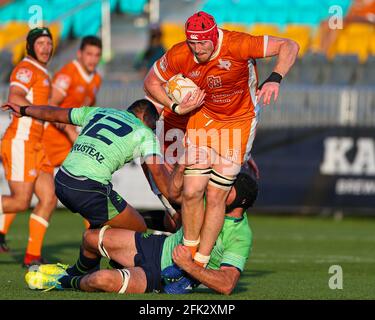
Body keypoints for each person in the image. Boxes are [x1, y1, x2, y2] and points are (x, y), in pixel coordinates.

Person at [144, 11, 298, 273]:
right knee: (192, 191)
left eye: (203, 42)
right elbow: (151, 81)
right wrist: (175, 106)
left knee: (216, 194)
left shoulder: (238, 44)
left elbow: (289, 45)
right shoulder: (180, 53)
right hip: (203, 119)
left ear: (214, 36)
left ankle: (198, 266)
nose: (198, 49)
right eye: (192, 43)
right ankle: (187, 255)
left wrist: (275, 78)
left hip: (239, 122)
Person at [24, 162, 258, 295]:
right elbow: (174, 192)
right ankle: (75, 271)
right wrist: (184, 162)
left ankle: (63, 281)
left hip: (160, 276)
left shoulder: (241, 235)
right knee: (90, 238)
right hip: (156, 246)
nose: (221, 187)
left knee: (101, 280)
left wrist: (188, 267)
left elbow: (227, 285)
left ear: (243, 201)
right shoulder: (207, 199)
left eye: (229, 187)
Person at [2, 99, 171, 274]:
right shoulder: (144, 133)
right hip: (88, 187)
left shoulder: (99, 112)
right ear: (146, 118)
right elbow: (157, 172)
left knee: (103, 225)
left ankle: (83, 270)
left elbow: (54, 113)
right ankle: (109, 266)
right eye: (153, 125)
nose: (153, 129)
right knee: (138, 226)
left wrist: (24, 109)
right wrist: (174, 199)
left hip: (62, 180)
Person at [0, 27, 57, 267]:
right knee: (21, 201)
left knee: (49, 197)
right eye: (40, 43)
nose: (46, 47)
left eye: (48, 43)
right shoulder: (25, 69)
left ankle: (32, 255)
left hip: (37, 145)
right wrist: (41, 112)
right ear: (30, 46)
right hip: (21, 141)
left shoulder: (43, 71)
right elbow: (15, 96)